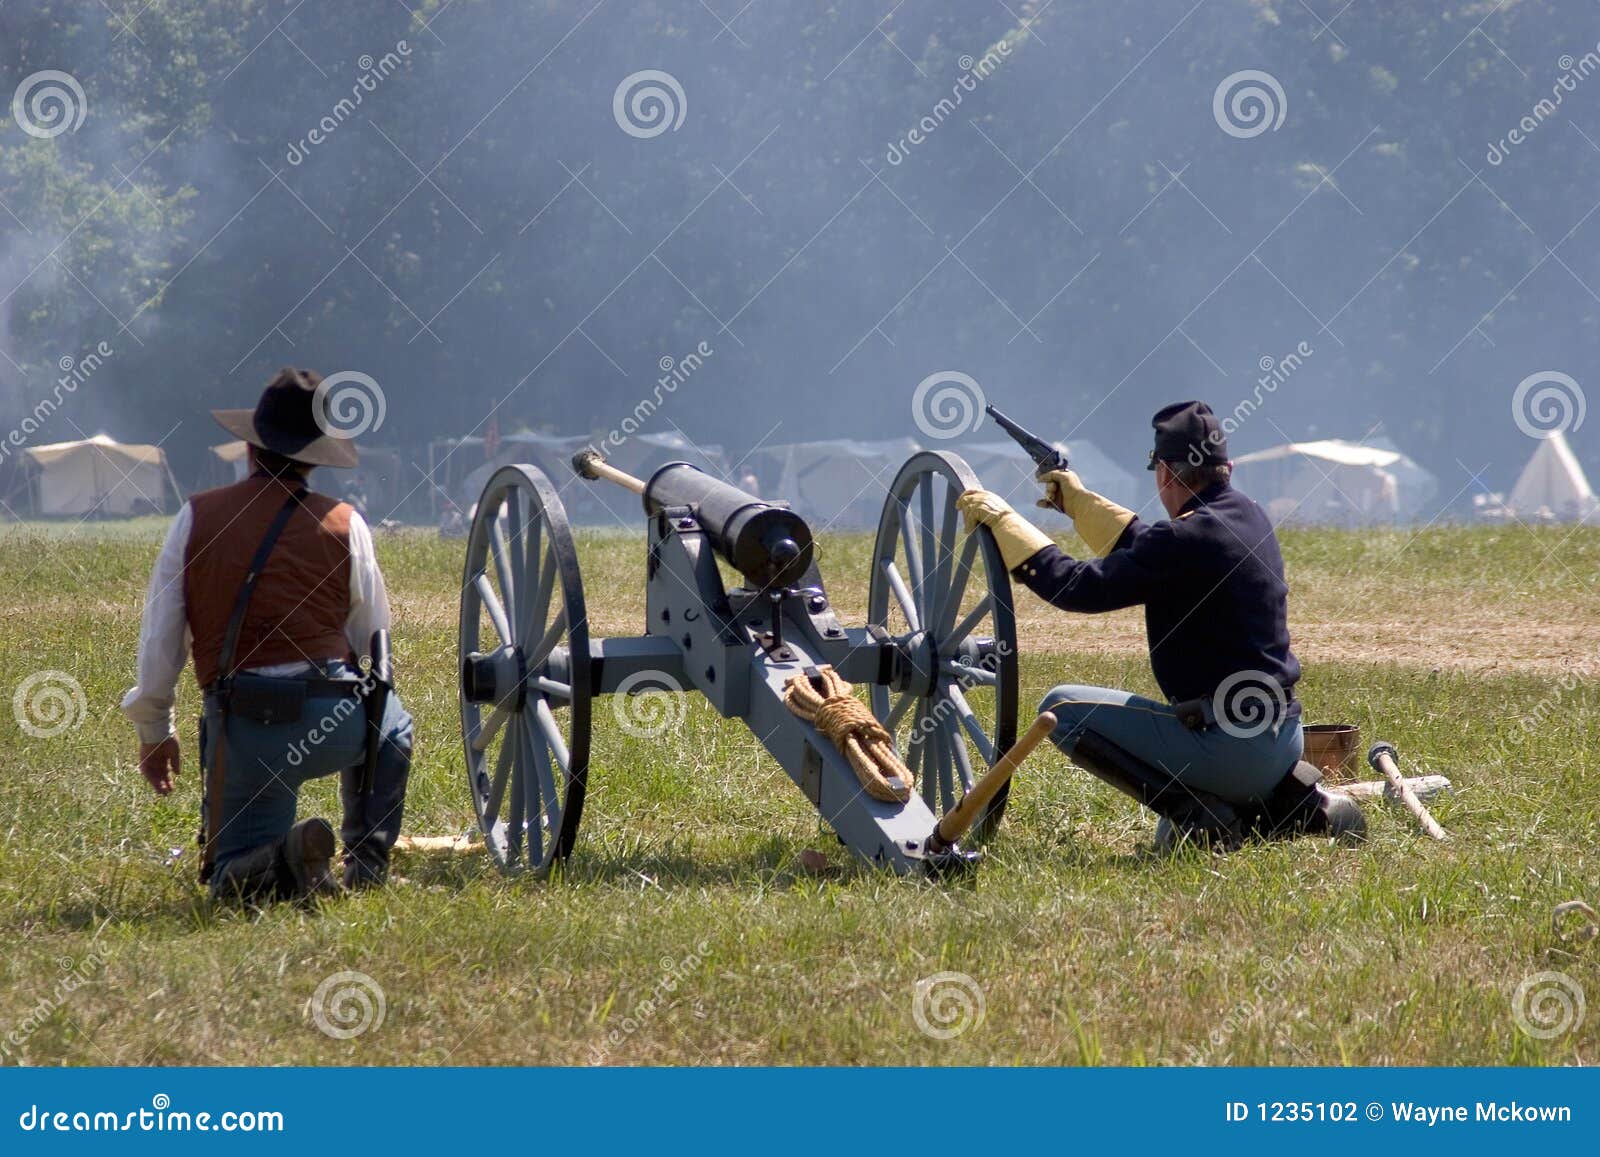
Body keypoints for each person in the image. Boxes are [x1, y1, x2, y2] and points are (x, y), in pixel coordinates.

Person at [956, 401, 1364, 849]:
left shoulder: (1181, 540)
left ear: (1165, 474)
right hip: (1282, 741)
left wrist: (1005, 525)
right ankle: (1287, 807)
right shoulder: (1248, 515)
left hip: (1227, 750)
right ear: (1225, 467)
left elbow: (1077, 589)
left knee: (1062, 710)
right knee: (1166, 838)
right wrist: (1078, 503)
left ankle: (1205, 817)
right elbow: (1152, 548)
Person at [122, 368, 414, 901]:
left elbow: (161, 638)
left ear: (250, 448)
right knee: (392, 723)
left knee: (230, 876)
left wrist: (155, 729)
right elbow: (375, 639)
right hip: (334, 725)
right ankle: (366, 861)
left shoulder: (196, 518)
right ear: (314, 458)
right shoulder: (347, 523)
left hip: (247, 726)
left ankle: (285, 856)